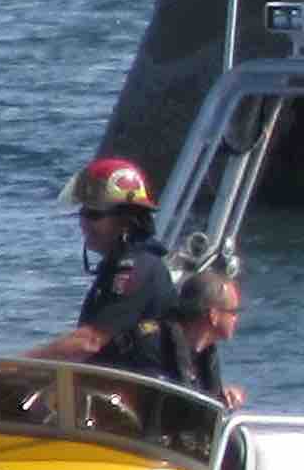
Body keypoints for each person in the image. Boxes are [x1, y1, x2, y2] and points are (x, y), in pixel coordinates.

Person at [37, 155, 173, 361]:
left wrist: (19, 364)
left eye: (93, 214)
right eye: (82, 213)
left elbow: (89, 342)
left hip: (144, 388)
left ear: (125, 220)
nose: (83, 223)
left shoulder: (137, 269)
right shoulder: (117, 267)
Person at [107, 262, 246, 420]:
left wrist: (221, 398)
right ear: (213, 316)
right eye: (233, 312)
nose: (236, 319)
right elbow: (153, 408)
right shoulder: (151, 343)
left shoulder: (203, 351)